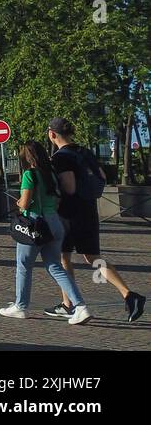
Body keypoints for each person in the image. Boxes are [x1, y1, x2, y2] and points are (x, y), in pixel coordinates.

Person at [48, 118, 145, 322]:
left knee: (63, 257)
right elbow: (101, 175)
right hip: (89, 209)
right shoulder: (84, 151)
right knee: (93, 257)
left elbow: (70, 188)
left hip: (69, 213)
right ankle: (128, 294)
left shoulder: (60, 157)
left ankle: (70, 304)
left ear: (52, 134)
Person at [0, 141, 91, 323]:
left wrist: (18, 203)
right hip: (54, 223)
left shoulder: (29, 174)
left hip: (34, 224)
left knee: (24, 265)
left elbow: (25, 203)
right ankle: (80, 306)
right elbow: (56, 200)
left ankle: (21, 306)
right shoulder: (50, 174)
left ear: (26, 157)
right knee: (55, 266)